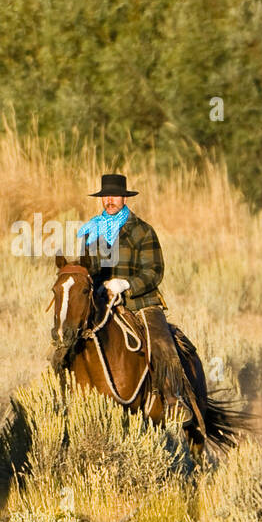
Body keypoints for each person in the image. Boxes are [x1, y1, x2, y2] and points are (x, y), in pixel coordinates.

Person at [76, 173, 193, 423]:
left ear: (124, 198)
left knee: (161, 341)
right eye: (106, 196)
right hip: (102, 302)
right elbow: (87, 270)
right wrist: (95, 287)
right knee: (70, 338)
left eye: (115, 195)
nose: (110, 200)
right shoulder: (90, 231)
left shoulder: (142, 231)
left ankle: (173, 399)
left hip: (140, 302)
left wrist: (127, 284)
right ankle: (63, 393)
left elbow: (154, 271)